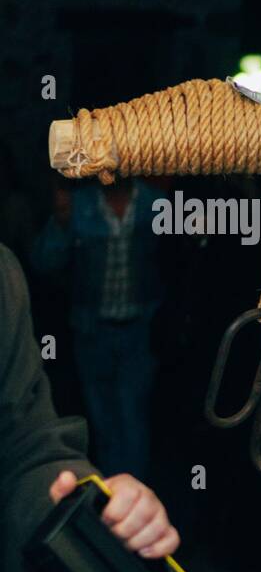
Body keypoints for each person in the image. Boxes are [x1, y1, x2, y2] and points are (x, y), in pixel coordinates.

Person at [0, 243, 178, 572]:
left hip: (133, 333)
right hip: (92, 334)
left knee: (129, 420)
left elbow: (25, 448)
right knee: (112, 421)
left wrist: (96, 511)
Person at [30, 178, 167, 480]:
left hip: (140, 331)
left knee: (134, 419)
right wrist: (61, 223)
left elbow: (177, 260)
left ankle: (135, 498)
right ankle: (111, 504)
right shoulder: (80, 204)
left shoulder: (156, 202)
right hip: (92, 332)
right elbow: (43, 262)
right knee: (103, 421)